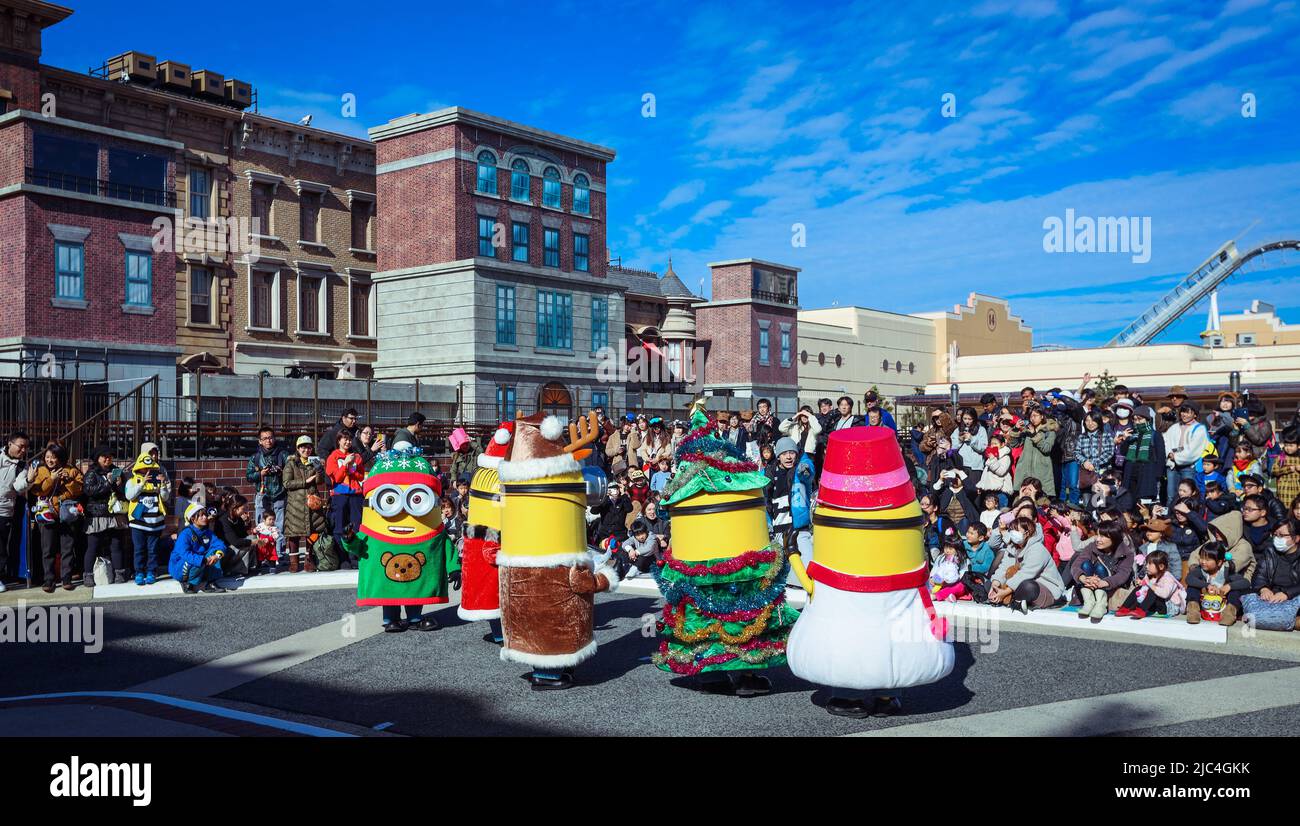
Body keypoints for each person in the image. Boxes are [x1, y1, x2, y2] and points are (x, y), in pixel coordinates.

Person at [30, 444, 84, 592]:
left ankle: (66, 577)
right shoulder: (40, 470)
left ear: (60, 457)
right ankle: (49, 579)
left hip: (66, 514)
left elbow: (79, 490)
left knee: (67, 547)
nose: (50, 460)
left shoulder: (71, 469)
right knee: (48, 548)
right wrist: (52, 479)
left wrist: (68, 481)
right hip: (47, 514)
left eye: (53, 457)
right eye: (47, 457)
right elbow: (37, 490)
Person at [988, 515, 1064, 613]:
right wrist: (995, 584)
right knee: (988, 585)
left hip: (1045, 588)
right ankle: (1015, 600)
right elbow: (1003, 567)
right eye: (1011, 530)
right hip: (1016, 584)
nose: (1012, 533)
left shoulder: (1037, 548)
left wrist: (1005, 592)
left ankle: (1012, 599)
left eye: (1016, 530)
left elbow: (1026, 573)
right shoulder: (1012, 547)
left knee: (1028, 586)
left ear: (1027, 533)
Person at [81, 444, 129, 587]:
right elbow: (89, 491)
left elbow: (124, 493)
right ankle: (88, 575)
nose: (108, 459)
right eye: (104, 456)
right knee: (93, 546)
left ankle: (119, 573)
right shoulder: (91, 473)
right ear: (97, 458)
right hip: (97, 514)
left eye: (110, 456)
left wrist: (120, 484)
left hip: (114, 514)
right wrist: (108, 483)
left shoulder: (116, 471)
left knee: (116, 544)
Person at [1070, 521, 1135, 623]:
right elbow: (1076, 565)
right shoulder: (1092, 547)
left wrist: (1103, 582)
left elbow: (1123, 575)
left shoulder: (1126, 553)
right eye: (1098, 535)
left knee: (1100, 568)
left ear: (1114, 538)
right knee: (1085, 564)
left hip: (1109, 588)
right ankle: (1089, 602)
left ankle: (1101, 604)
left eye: (1103, 536)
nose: (1098, 539)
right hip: (1089, 584)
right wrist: (1083, 578)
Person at [1241, 519, 1300, 631]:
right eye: (1275, 535)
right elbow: (1259, 574)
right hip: (1272, 597)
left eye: (1282, 535)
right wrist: (1263, 588)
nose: (1278, 539)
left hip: (1294, 597)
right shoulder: (1270, 552)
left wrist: (1287, 594)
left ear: (1296, 538)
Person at [283, 435, 328, 573]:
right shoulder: (291, 463)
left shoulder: (314, 462)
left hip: (312, 503)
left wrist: (320, 470)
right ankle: (294, 562)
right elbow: (286, 483)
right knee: (294, 534)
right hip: (295, 504)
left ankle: (309, 559)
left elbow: (320, 481)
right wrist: (305, 482)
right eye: (303, 447)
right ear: (297, 448)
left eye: (308, 447)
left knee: (313, 532)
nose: (306, 450)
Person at [125, 445, 169, 586]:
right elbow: (129, 495)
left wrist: (162, 485)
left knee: (152, 550)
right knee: (139, 549)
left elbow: (166, 497)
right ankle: (139, 572)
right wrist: (141, 484)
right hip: (138, 522)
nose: (147, 471)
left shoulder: (159, 479)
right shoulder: (132, 481)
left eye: (149, 468)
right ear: (138, 468)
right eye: (144, 468)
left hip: (155, 521)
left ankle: (151, 571)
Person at [246, 425, 288, 559]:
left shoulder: (283, 454)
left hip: (279, 493)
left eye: (270, 438)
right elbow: (248, 476)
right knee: (261, 525)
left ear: (274, 438)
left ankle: (279, 554)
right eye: (264, 439)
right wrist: (260, 473)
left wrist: (282, 471)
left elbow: (292, 471)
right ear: (260, 441)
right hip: (262, 495)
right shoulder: (255, 457)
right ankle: (262, 554)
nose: (268, 441)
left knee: (279, 525)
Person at [1185, 540, 1248, 626]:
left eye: (1207, 559)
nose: (1203, 561)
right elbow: (1189, 579)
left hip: (1222, 606)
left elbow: (1245, 582)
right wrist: (1206, 585)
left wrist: (1229, 586)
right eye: (1201, 558)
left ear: (1219, 562)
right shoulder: (1200, 570)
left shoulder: (1226, 572)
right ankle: (1193, 610)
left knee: (1235, 591)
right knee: (1192, 587)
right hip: (1204, 605)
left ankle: (1229, 613)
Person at [170, 502, 228, 594]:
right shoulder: (185, 534)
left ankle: (211, 582)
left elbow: (220, 544)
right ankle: (188, 582)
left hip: (200, 563)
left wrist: (217, 556)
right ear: (193, 519)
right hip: (179, 566)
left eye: (205, 514)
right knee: (192, 560)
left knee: (214, 552)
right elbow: (185, 554)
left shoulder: (207, 532)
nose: (205, 517)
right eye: (201, 516)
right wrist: (203, 560)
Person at [327, 430, 366, 564]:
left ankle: (354, 557)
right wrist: (345, 465)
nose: (347, 442)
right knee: (339, 526)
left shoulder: (357, 456)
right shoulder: (333, 457)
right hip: (340, 495)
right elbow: (336, 478)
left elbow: (361, 476)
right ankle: (343, 558)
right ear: (339, 441)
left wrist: (352, 468)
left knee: (356, 525)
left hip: (356, 494)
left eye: (349, 439)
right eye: (344, 439)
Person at [0, 431, 31, 591]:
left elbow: (19, 487)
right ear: (10, 443)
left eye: (26, 447)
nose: (24, 450)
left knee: (1, 546)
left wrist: (29, 480)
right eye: (21, 446)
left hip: (4, 510)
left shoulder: (22, 466)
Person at [1116, 550, 1186, 619]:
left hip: (1168, 607)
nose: (1146, 566)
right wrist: (1142, 584)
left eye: (1149, 564)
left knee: (1153, 590)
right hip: (1156, 605)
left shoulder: (1168, 578)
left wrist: (1149, 584)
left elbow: (1165, 594)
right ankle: (1125, 608)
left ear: (1161, 566)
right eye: (1146, 564)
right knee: (1138, 589)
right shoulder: (1152, 576)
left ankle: (1141, 610)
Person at [1117, 405, 1165, 505]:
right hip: (1131, 472)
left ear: (1147, 419)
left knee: (1144, 503)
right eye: (1135, 420)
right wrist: (1126, 439)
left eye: (1140, 419)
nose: (1137, 422)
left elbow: (1161, 456)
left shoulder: (1155, 434)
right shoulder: (1132, 434)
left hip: (1147, 473)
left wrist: (1157, 476)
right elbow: (1123, 452)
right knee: (1129, 501)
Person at [1009, 404, 1058, 498]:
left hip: (1042, 472)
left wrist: (1034, 435)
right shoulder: (1026, 430)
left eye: (1035, 416)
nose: (1032, 418)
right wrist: (1016, 429)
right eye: (1031, 416)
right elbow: (1014, 444)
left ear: (1042, 416)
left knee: (1041, 500)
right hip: (1025, 472)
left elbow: (1046, 448)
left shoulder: (1049, 431)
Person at [1164, 402, 1209, 504]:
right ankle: (1171, 517)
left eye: (1188, 412)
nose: (1184, 414)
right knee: (1171, 495)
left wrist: (1175, 456)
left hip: (1189, 466)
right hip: (1172, 466)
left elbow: (1193, 450)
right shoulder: (1174, 427)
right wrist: (1169, 454)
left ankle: (1188, 516)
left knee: (1187, 494)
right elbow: (1166, 442)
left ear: (1195, 415)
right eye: (1183, 412)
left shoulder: (1200, 429)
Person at [213, 492, 256, 577]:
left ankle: (249, 567)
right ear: (234, 508)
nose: (245, 511)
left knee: (252, 538)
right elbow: (235, 541)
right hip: (223, 552)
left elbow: (243, 535)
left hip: (233, 549)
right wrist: (254, 542)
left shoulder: (237, 518)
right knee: (249, 542)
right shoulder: (223, 520)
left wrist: (247, 523)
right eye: (243, 509)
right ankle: (235, 570)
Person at [950, 407, 988, 490]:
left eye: (970, 419)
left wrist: (972, 439)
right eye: (965, 418)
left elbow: (983, 447)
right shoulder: (957, 430)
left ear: (974, 419)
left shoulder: (981, 430)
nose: (967, 421)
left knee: (975, 492)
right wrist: (959, 441)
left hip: (975, 467)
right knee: (963, 492)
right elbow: (953, 448)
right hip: (961, 466)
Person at [930, 532, 968, 602]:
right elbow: (935, 570)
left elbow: (963, 575)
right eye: (946, 548)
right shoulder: (941, 557)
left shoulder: (962, 560)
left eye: (950, 549)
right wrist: (933, 578)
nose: (947, 551)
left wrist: (949, 581)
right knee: (929, 583)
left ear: (958, 549)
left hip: (953, 584)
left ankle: (936, 596)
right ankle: (947, 596)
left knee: (961, 586)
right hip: (939, 583)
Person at [977, 434, 1013, 506]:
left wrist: (993, 459)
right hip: (990, 491)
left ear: (1002, 444)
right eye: (991, 444)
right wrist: (981, 486)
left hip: (1001, 491)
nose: (993, 446)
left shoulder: (1005, 457)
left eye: (995, 444)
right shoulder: (991, 456)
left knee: (1002, 513)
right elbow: (986, 474)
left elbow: (1001, 472)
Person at [1271, 426, 1300, 507]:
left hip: (1297, 492)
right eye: (1286, 445)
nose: (1288, 448)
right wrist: (1287, 469)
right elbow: (1274, 470)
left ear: (1298, 446)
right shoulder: (1281, 457)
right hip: (1284, 492)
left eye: (1291, 445)